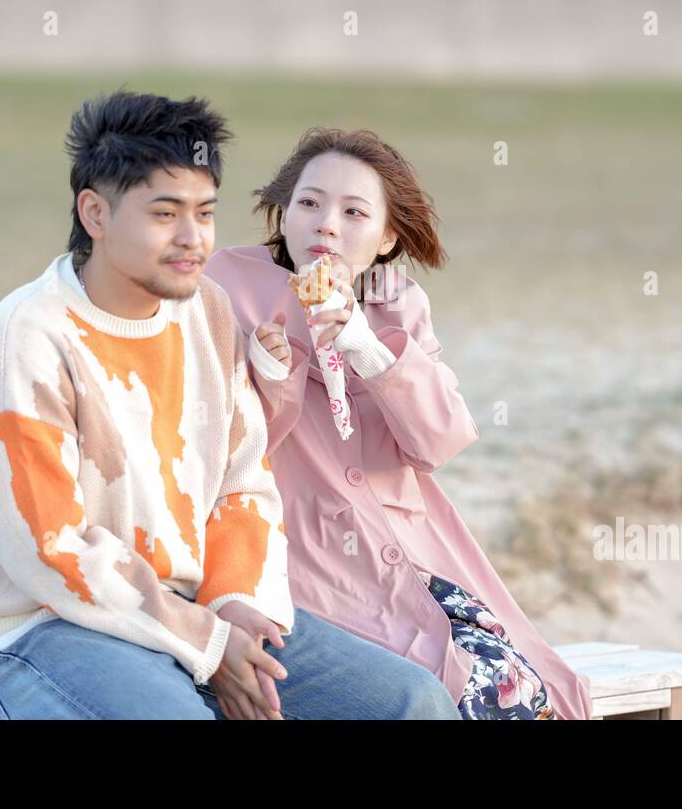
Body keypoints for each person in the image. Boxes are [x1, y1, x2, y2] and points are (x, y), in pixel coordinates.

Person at [0, 92, 460, 720]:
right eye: (164, 214)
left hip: (202, 611)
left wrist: (236, 604)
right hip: (49, 625)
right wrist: (208, 645)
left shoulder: (206, 312)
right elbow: (49, 548)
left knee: (413, 704)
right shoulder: (28, 338)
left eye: (205, 213)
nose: (192, 238)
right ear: (95, 213)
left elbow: (244, 482)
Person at [203, 127, 594, 719]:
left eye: (353, 211)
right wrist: (267, 375)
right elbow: (217, 448)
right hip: (304, 556)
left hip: (406, 552)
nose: (326, 224)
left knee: (520, 685)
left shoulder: (397, 301)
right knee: (441, 695)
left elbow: (439, 440)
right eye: (308, 203)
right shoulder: (225, 285)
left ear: (387, 238)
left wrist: (367, 347)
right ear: (283, 216)